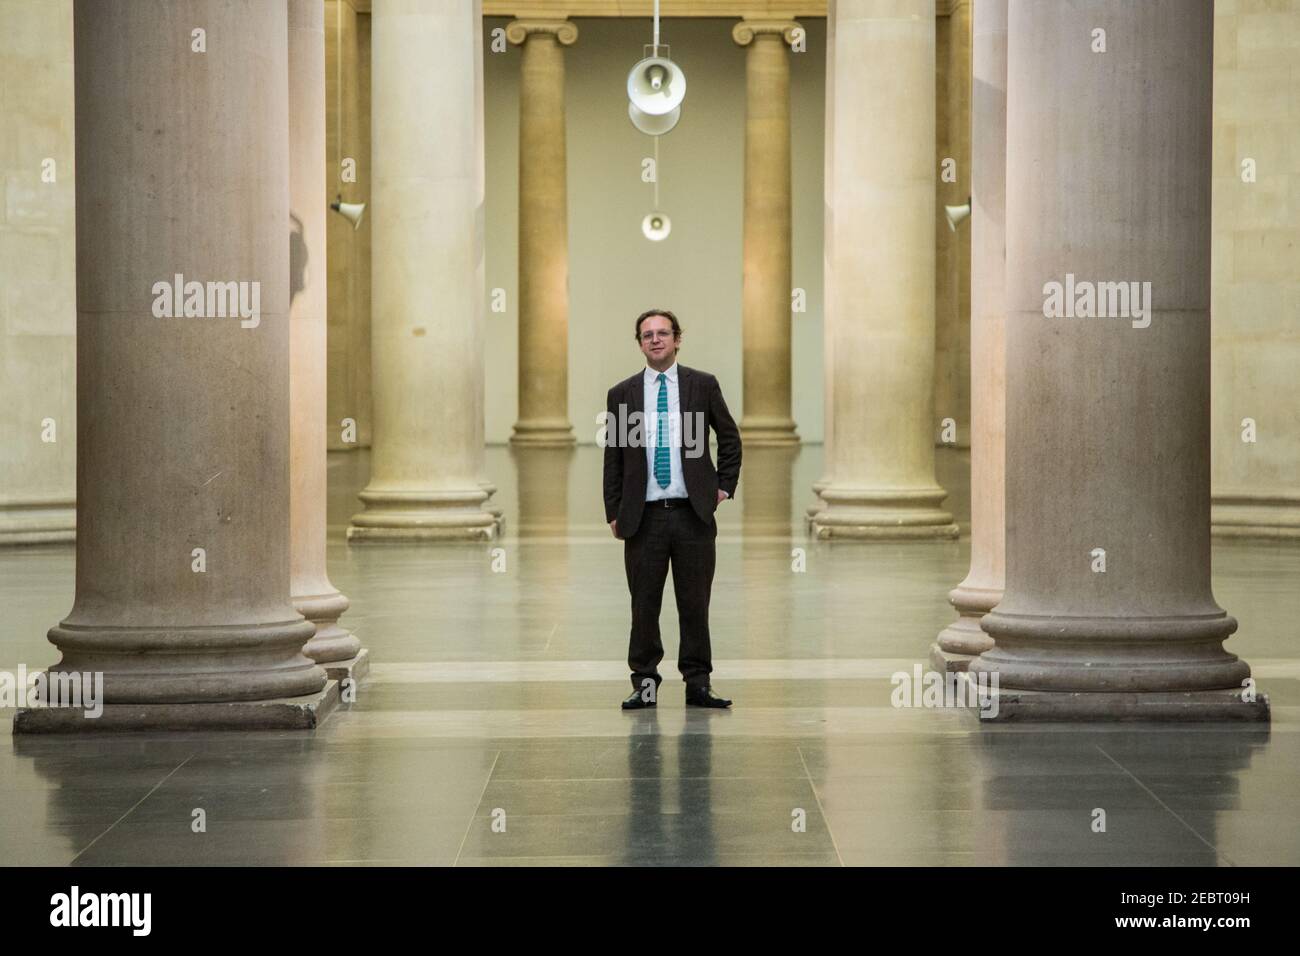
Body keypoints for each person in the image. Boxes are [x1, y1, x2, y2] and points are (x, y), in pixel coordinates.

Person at [603, 309, 742, 710]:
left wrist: (722, 488)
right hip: (643, 517)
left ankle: (698, 683)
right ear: (640, 344)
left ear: (677, 339)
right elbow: (613, 457)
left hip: (692, 514)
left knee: (694, 603)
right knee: (643, 605)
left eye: (663, 333)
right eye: (647, 335)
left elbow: (730, 439)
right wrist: (614, 510)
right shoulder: (623, 394)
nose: (656, 339)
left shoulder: (702, 386)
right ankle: (645, 684)